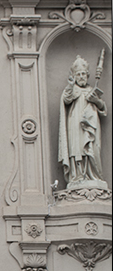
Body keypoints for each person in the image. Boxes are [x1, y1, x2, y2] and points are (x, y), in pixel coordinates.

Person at [58, 55, 107, 189]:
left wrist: (95, 101)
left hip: (91, 125)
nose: (81, 77)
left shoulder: (91, 91)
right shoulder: (72, 90)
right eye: (78, 74)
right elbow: (66, 99)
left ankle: (93, 175)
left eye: (83, 74)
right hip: (76, 124)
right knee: (77, 148)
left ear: (87, 75)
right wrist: (70, 85)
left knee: (92, 149)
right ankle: (77, 175)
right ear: (74, 76)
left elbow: (103, 108)